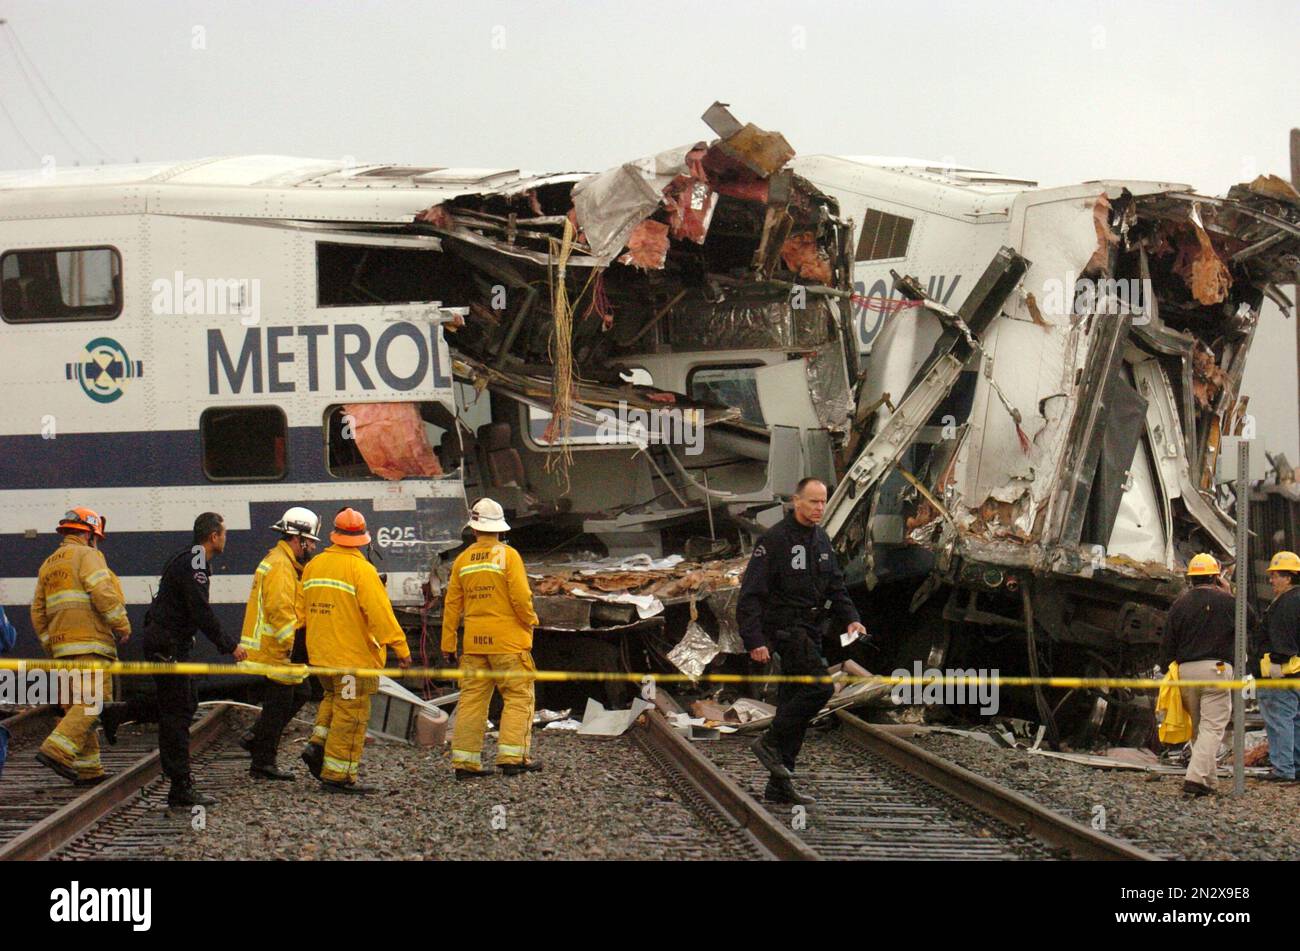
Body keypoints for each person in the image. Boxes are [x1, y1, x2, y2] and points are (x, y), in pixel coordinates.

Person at [101, 512, 246, 808]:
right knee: (177, 714)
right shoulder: (196, 564)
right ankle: (180, 787)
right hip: (168, 645)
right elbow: (200, 611)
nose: (226, 539)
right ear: (214, 536)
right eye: (224, 534)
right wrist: (229, 646)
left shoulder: (187, 557)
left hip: (166, 642)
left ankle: (119, 712)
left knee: (182, 702)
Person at [739, 478, 867, 805]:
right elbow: (751, 595)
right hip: (785, 628)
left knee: (794, 700)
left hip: (811, 629)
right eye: (813, 502)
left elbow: (836, 587)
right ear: (796, 501)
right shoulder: (775, 540)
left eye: (823, 503)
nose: (819, 509)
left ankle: (779, 785)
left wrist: (852, 618)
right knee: (819, 688)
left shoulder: (821, 539)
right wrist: (755, 639)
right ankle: (769, 742)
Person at [301, 508, 411, 794]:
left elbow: (302, 610)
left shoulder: (314, 565)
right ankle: (338, 776)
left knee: (332, 699)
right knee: (352, 714)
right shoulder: (362, 570)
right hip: (351, 660)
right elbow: (380, 613)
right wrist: (400, 647)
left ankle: (317, 744)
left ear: (335, 535)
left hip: (321, 656)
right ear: (363, 539)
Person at [442, 498, 541, 780]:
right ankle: (512, 758)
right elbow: (521, 597)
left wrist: (448, 644)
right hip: (508, 643)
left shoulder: (462, 561)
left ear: (474, 530)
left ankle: (465, 763)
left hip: (474, 644)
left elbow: (452, 606)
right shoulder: (508, 556)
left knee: (472, 701)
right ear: (499, 529)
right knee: (518, 696)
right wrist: (530, 620)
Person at [30, 508, 129, 785]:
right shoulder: (88, 556)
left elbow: (38, 612)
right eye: (95, 536)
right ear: (88, 534)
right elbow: (102, 593)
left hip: (63, 649)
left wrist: (52, 645)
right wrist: (121, 625)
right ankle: (55, 750)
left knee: (78, 705)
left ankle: (89, 770)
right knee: (93, 703)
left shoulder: (49, 564)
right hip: (91, 645)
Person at [238, 507, 320, 780]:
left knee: (300, 693)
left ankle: (255, 738)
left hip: (278, 648)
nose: (312, 548)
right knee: (280, 704)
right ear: (298, 538)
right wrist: (292, 645)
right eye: (310, 542)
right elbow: (280, 609)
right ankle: (263, 762)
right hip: (277, 650)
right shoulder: (281, 566)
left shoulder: (283, 562)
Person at [1157, 553, 1235, 798]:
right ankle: (1194, 778)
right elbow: (1251, 621)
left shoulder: (1180, 603)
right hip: (1217, 669)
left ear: (1191, 578)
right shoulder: (1227, 602)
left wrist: (1165, 667)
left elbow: (1167, 641)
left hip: (1186, 670)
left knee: (1199, 728)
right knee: (1213, 727)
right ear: (1216, 577)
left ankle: (1208, 781)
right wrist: (1229, 592)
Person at [1258, 550, 1300, 783]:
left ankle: (1283, 769)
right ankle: (1295, 766)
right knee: (1295, 720)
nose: (1271, 580)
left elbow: (1281, 638)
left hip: (1280, 672)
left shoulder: (1284, 604)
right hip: (1296, 673)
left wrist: (1276, 662)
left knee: (1280, 720)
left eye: (1275, 575)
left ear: (1289, 577)